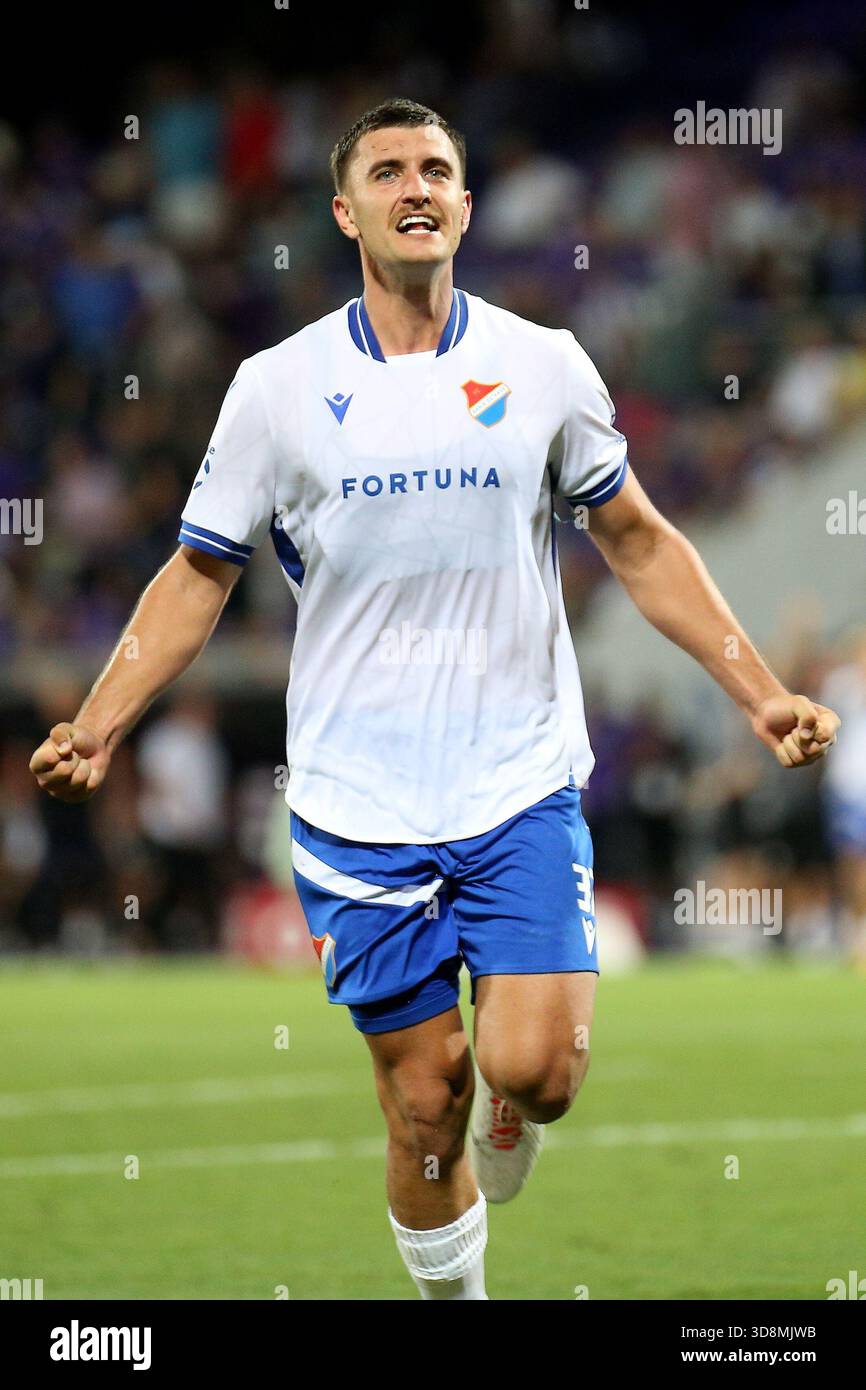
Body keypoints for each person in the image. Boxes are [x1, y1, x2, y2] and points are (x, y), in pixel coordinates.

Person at [29, 98, 841, 1301]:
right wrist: (98, 720)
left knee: (538, 1076)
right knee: (422, 1102)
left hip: (514, 776)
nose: (416, 186)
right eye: (387, 170)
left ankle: (514, 1109)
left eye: (438, 170)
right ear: (346, 207)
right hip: (358, 802)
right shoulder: (276, 387)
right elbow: (199, 570)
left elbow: (637, 539)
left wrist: (759, 690)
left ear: (463, 205)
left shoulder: (541, 364)